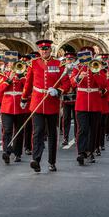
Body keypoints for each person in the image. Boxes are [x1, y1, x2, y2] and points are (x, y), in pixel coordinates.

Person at [20, 39, 70, 173]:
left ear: (50, 50)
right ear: (39, 51)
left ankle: (52, 161)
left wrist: (58, 91)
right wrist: (24, 98)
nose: (44, 51)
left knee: (52, 134)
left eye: (46, 49)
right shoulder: (34, 63)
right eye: (42, 49)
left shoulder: (59, 64)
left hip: (52, 103)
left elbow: (66, 84)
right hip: (37, 102)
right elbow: (28, 83)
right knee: (38, 132)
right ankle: (36, 160)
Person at [70, 47, 107, 166]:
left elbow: (103, 85)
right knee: (83, 128)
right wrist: (79, 76)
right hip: (81, 102)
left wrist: (95, 72)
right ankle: (81, 152)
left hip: (95, 102)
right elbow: (72, 83)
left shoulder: (97, 67)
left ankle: (90, 151)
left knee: (93, 129)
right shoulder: (77, 68)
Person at [0, 52, 28, 164]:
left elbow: (28, 89)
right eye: (10, 62)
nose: (12, 64)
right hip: (7, 107)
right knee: (7, 130)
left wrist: (22, 78)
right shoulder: (3, 75)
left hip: (20, 107)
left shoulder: (24, 75)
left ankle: (18, 153)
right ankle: (6, 152)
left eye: (14, 62)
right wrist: (9, 79)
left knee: (19, 131)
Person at [61, 52, 77, 146]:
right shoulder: (63, 70)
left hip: (76, 98)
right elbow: (60, 83)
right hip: (66, 98)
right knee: (65, 119)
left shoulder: (77, 70)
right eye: (68, 60)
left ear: (74, 60)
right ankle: (65, 138)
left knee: (76, 119)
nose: (69, 61)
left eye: (71, 59)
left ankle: (76, 136)